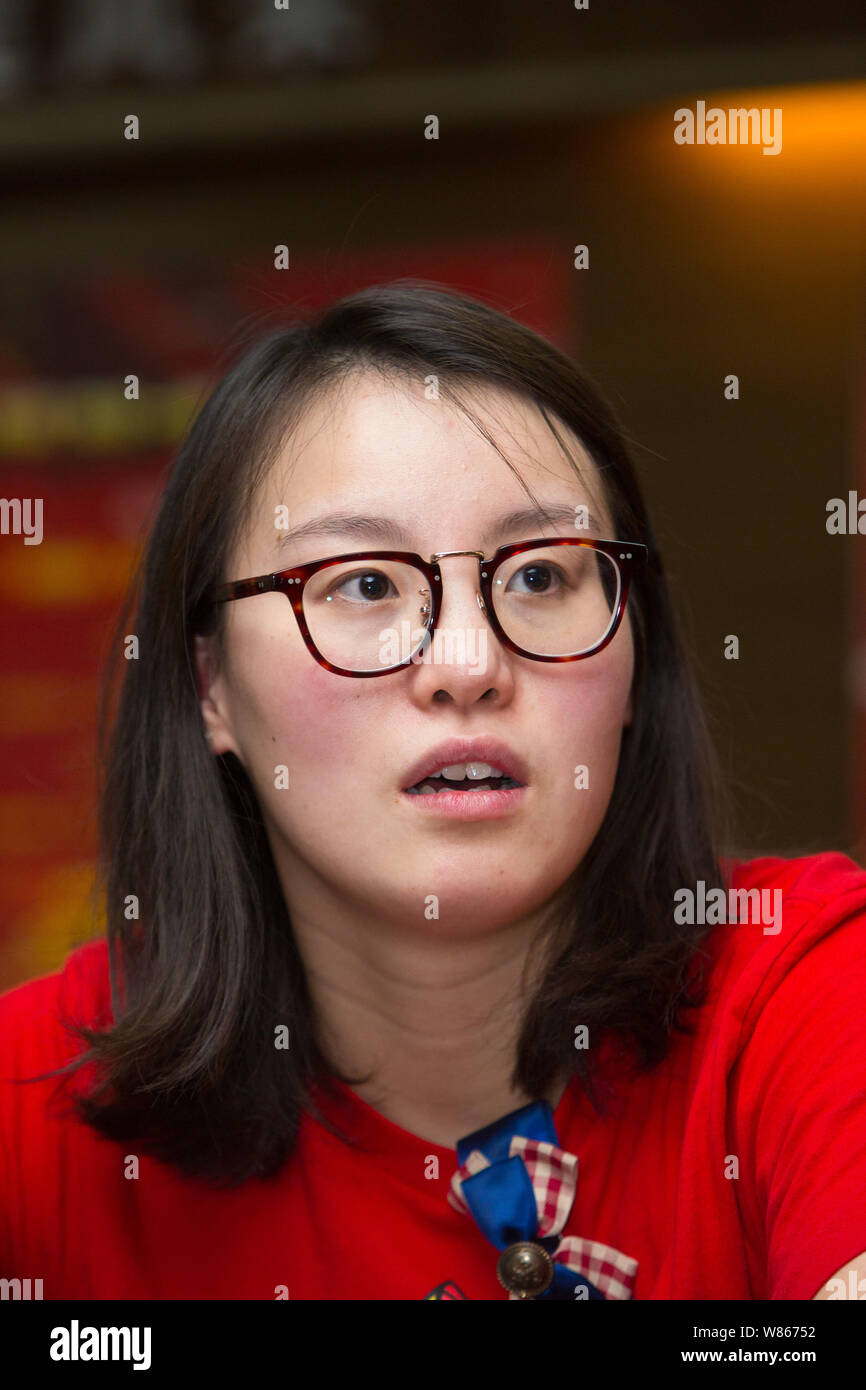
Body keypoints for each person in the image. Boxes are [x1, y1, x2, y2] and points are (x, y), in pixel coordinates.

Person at [1, 280, 865, 1301]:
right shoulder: (39, 1109)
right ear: (210, 688)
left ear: (636, 661)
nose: (466, 660)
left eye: (541, 576)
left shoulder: (803, 996)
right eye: (364, 583)